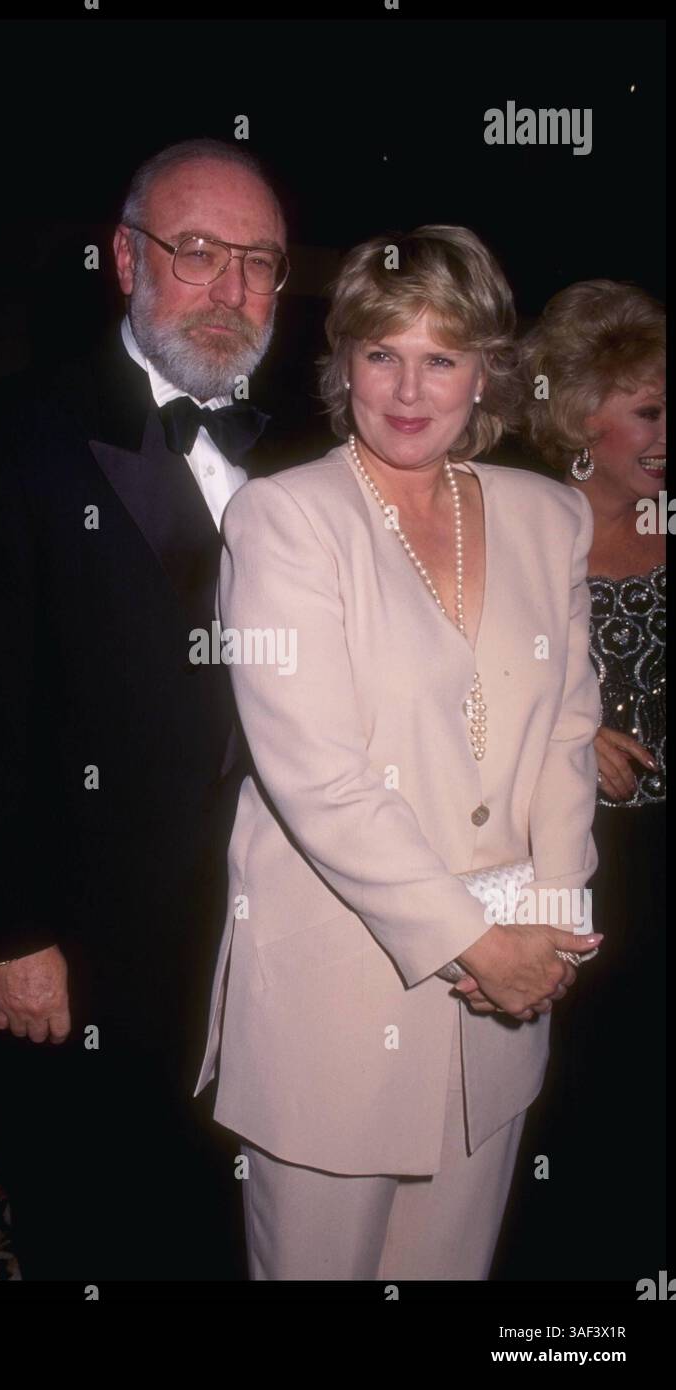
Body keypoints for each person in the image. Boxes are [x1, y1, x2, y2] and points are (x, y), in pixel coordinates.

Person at [194, 226, 603, 1280]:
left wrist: (552, 918)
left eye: (441, 356)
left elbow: (563, 727)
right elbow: (317, 780)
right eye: (382, 353)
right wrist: (479, 943)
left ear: (488, 371)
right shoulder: (283, 520)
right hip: (342, 989)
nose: (409, 389)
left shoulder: (545, 514)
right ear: (344, 365)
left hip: (506, 990)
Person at [0, 137, 290, 1280]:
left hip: (269, 914)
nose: (229, 289)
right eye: (195, 252)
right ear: (125, 260)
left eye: (259, 262)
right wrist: (10, 927)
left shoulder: (317, 444)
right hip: (86, 921)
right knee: (88, 1195)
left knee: (227, 1197)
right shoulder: (2, 438)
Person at [495, 280, 665, 1280]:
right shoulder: (521, 522)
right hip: (575, 856)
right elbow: (459, 687)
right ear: (579, 414)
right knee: (571, 1096)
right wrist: (570, 728)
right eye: (649, 410)